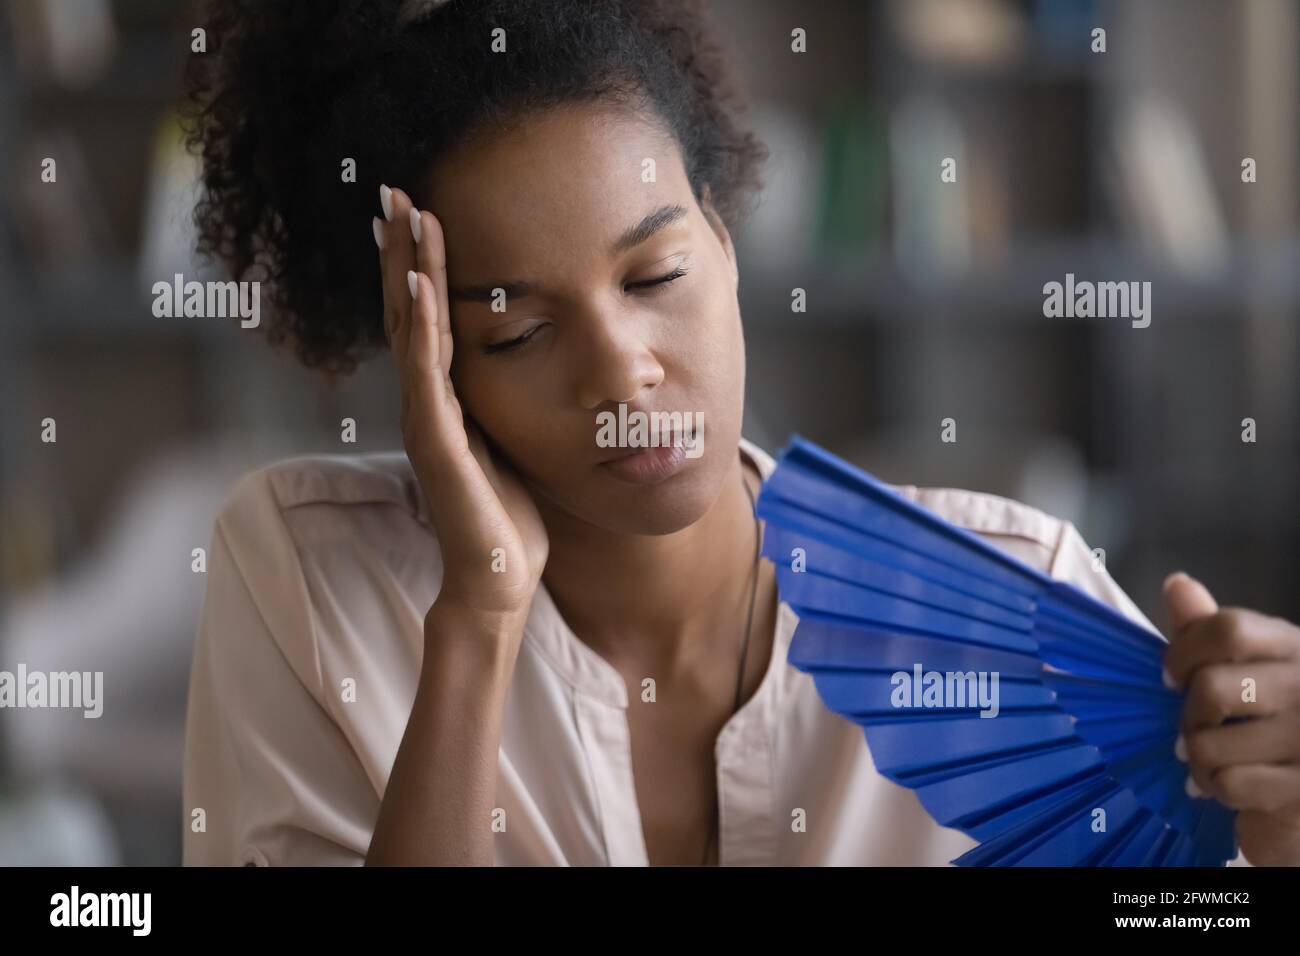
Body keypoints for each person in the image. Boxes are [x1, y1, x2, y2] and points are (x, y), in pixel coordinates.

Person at [179, 0, 1300, 866]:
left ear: (722, 242)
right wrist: (478, 612)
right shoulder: (310, 575)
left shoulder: (1017, 601)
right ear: (428, 355)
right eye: (516, 330)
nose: (624, 364)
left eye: (656, 271)